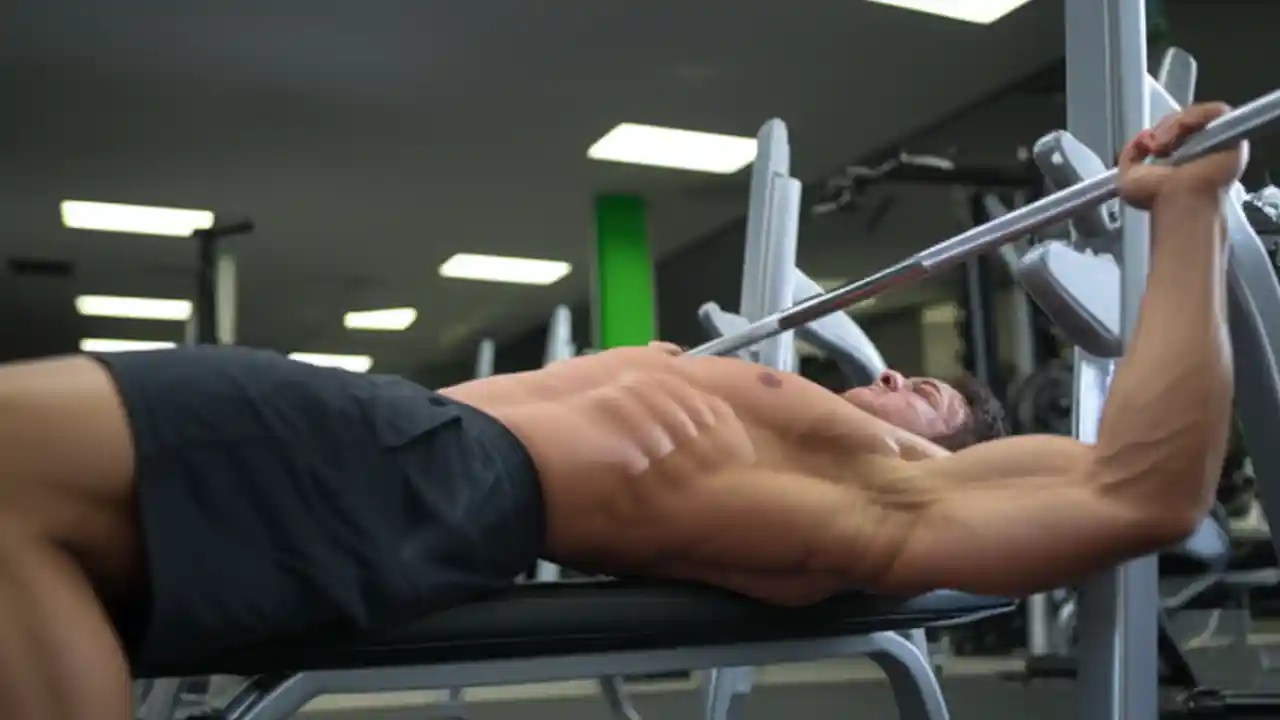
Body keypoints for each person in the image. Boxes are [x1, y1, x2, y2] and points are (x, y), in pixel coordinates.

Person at [0, 103, 1241, 717]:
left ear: (952, 457)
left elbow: (1131, 487)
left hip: (404, 473)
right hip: (378, 445)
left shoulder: (875, 498)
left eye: (939, 401)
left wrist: (1186, 220)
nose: (906, 385)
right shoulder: (773, 413)